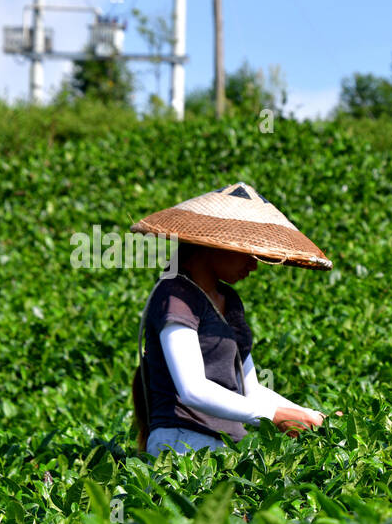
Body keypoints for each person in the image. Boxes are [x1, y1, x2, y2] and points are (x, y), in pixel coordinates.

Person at [129, 182, 335, 455]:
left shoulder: (230, 301)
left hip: (228, 447)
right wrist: (273, 415)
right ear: (215, 245)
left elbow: (250, 389)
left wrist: (313, 418)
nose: (254, 263)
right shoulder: (175, 295)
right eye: (247, 251)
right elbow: (192, 390)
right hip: (181, 444)